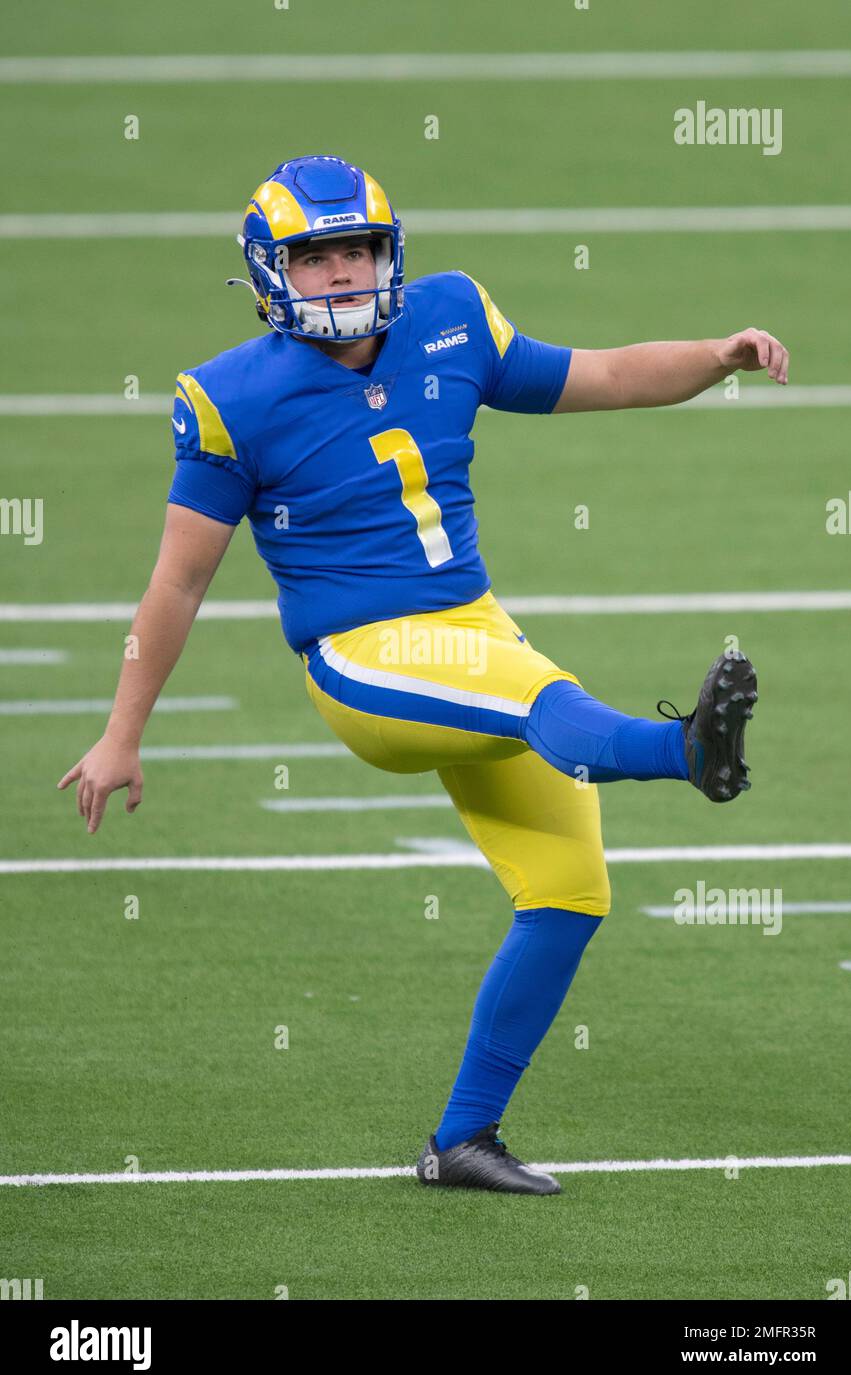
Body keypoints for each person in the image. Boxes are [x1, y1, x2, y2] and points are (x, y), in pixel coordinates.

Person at [58, 154, 786, 1195]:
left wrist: (716, 356)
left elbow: (603, 373)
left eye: (357, 248)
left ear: (389, 250)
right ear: (270, 274)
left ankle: (461, 1141)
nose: (344, 272)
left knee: (568, 890)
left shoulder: (449, 318)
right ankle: (687, 751)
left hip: (466, 625)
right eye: (316, 258)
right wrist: (121, 731)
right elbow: (175, 586)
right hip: (361, 658)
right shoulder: (229, 397)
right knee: (543, 700)